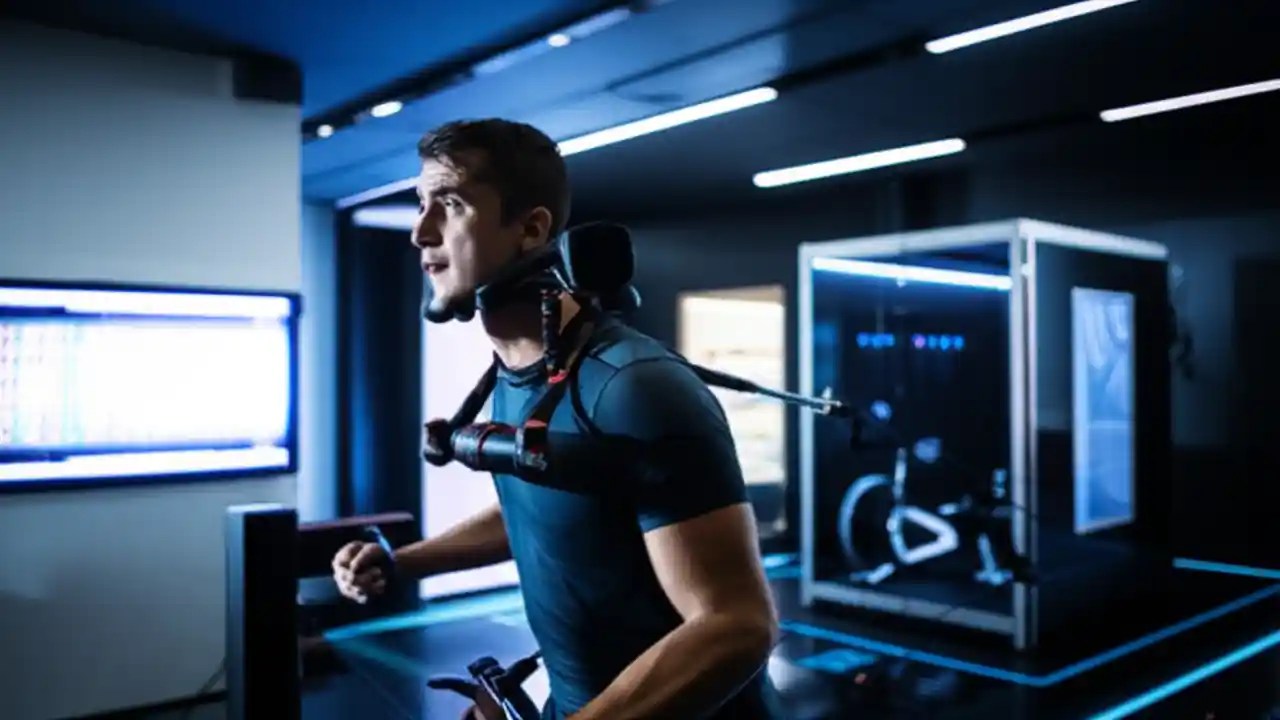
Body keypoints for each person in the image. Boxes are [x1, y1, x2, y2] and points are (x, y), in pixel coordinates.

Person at [331, 118, 782, 720]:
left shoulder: (635, 388)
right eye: (420, 204)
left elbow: (736, 624)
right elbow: (545, 505)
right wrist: (402, 561)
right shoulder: (519, 378)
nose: (420, 232)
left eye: (451, 203)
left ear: (532, 228)